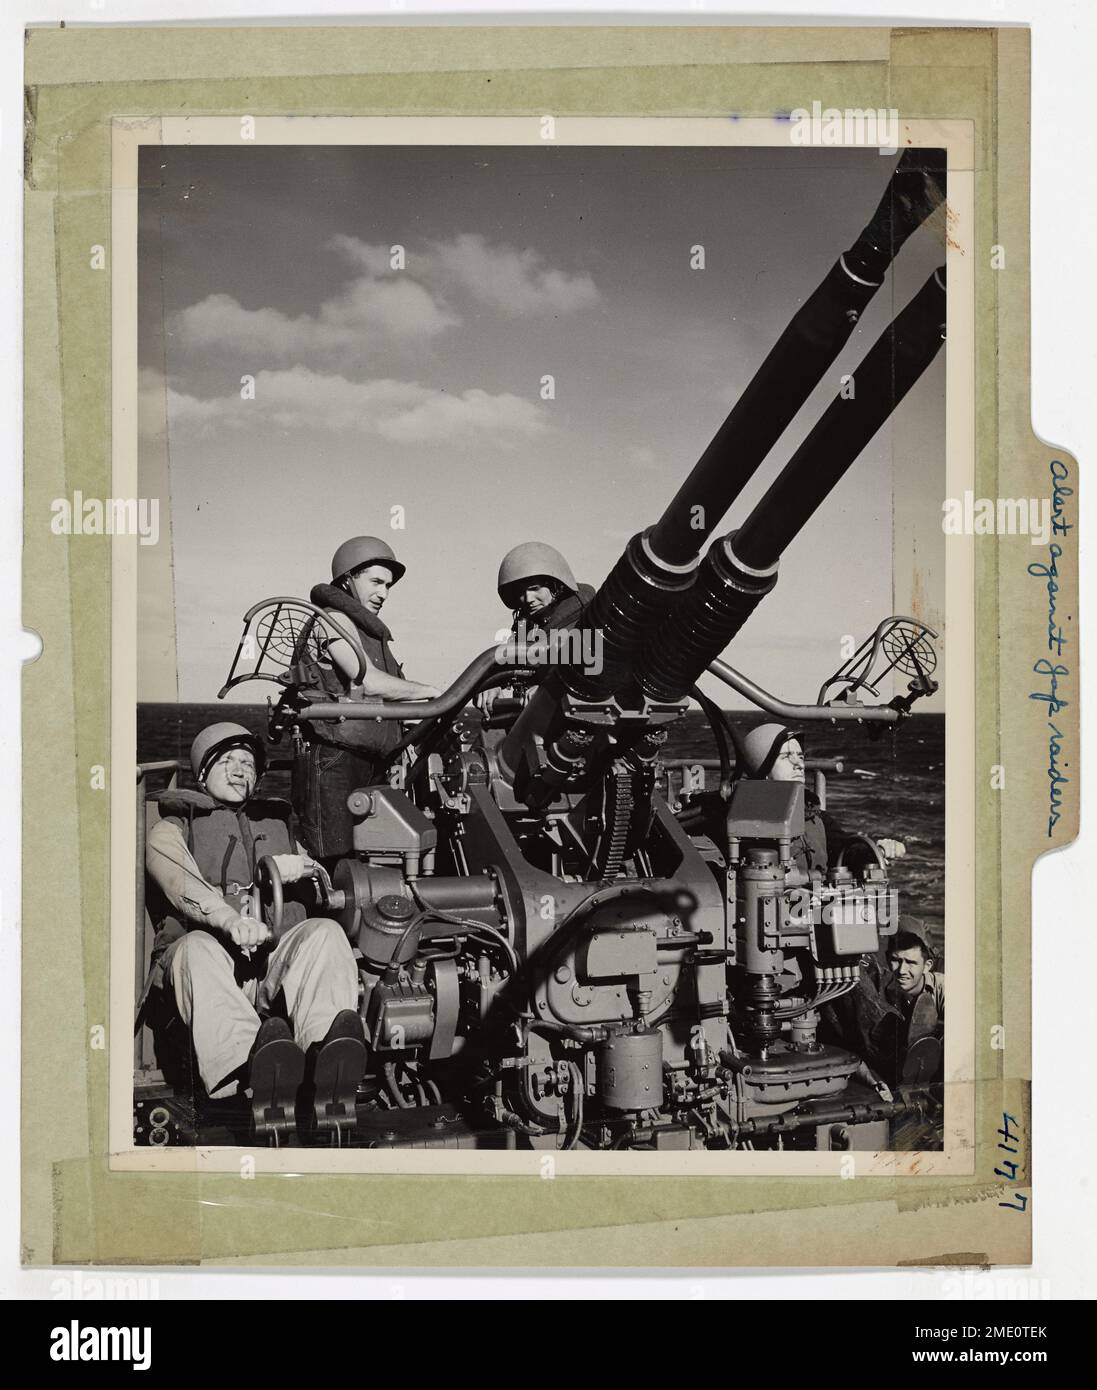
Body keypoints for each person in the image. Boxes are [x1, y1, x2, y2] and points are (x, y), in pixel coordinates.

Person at [144, 721, 366, 1141]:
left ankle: (326, 1060)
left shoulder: (278, 827)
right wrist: (231, 918)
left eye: (247, 763)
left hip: (268, 969)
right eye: (225, 761)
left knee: (323, 933)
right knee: (194, 947)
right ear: (202, 774)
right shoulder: (170, 829)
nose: (238, 770)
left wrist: (303, 868)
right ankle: (255, 1071)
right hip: (210, 971)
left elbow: (324, 887)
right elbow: (183, 888)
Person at [295, 536, 440, 861]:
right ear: (348, 579)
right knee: (333, 860)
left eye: (388, 586)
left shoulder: (369, 631)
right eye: (376, 582)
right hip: (335, 759)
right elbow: (367, 681)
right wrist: (431, 692)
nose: (383, 594)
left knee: (371, 859)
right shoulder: (332, 619)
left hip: (371, 761)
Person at [881, 921, 945, 1084]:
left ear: (927, 966)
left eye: (911, 963)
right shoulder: (881, 989)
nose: (902, 971)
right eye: (896, 960)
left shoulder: (944, 987)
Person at [496, 541, 595, 634]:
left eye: (535, 589)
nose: (529, 599)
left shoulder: (588, 620)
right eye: (521, 592)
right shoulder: (527, 631)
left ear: (555, 587)